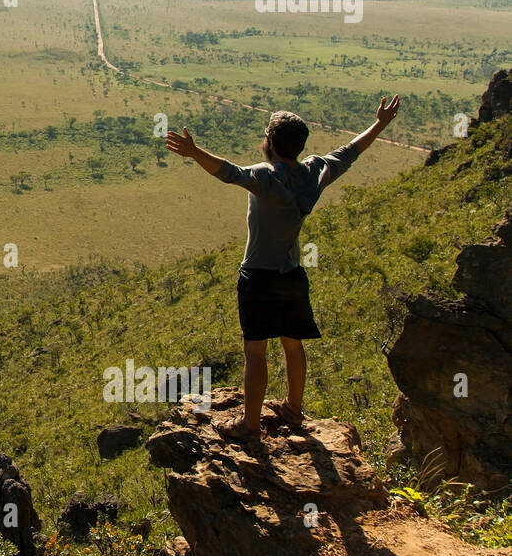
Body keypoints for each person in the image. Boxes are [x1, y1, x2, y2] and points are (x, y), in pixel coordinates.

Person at [164, 96, 401, 441]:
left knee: (255, 351)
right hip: (292, 275)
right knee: (293, 344)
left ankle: (250, 426)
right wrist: (380, 124)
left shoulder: (265, 176)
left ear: (271, 143)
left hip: (258, 276)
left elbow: (231, 173)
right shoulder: (314, 172)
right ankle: (293, 408)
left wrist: (194, 151)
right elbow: (350, 151)